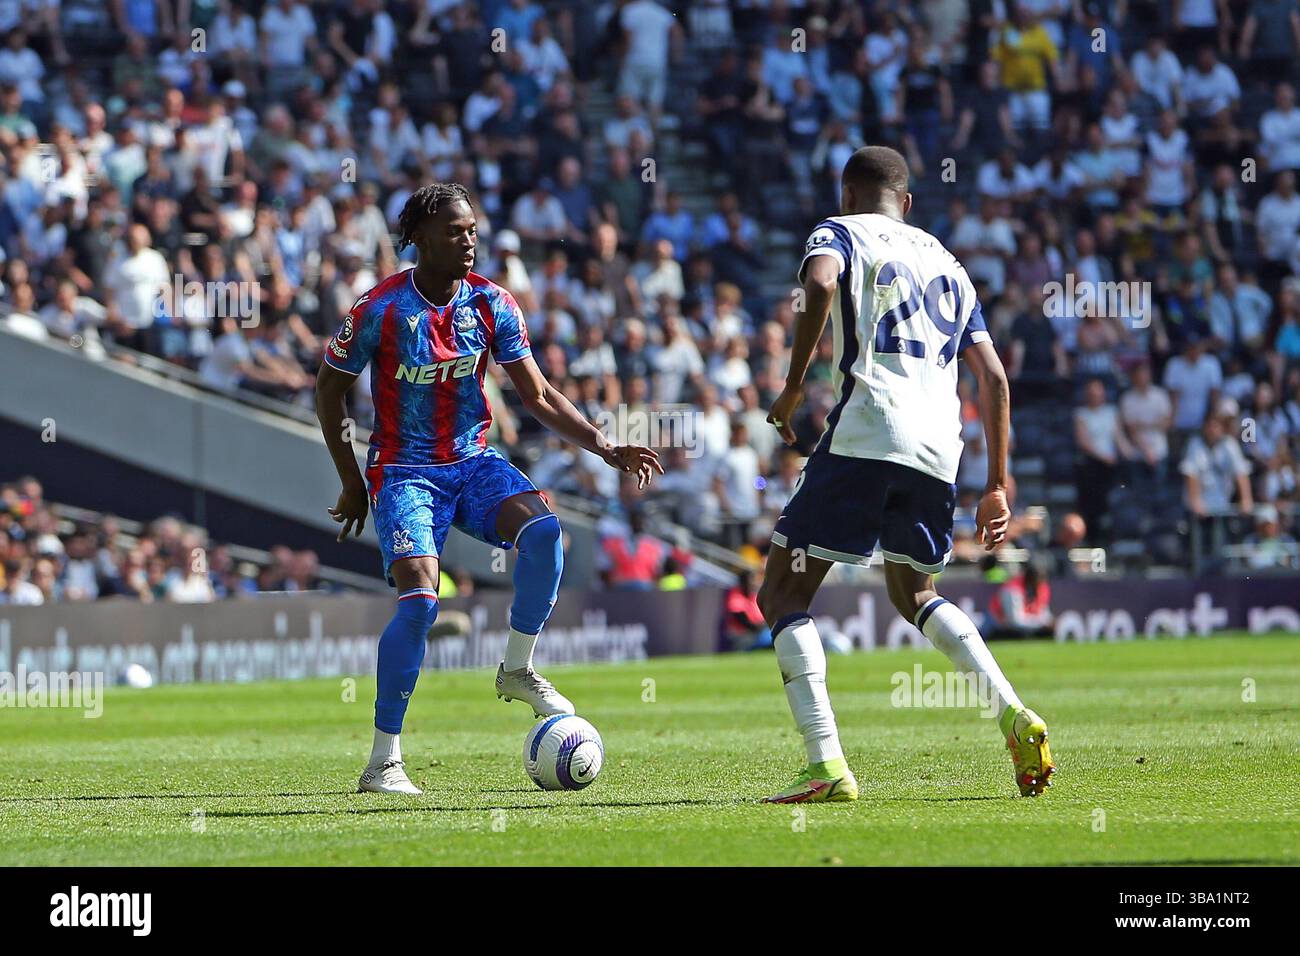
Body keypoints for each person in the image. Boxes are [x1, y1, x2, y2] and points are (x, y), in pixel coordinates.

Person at [314, 182, 663, 795]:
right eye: (455, 230)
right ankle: (384, 760)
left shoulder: (492, 303)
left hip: (472, 462)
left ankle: (518, 668)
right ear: (419, 239)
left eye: (473, 228)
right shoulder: (379, 308)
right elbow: (328, 388)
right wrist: (351, 479)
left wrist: (605, 447)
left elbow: (538, 395)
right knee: (421, 601)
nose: (469, 240)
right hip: (403, 470)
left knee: (545, 532)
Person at [758, 146, 1054, 803]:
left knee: (781, 594)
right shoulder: (949, 264)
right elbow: (994, 378)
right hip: (937, 448)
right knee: (913, 593)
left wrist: (793, 386)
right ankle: (1012, 712)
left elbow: (821, 284)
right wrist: (997, 483)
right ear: (908, 202)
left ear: (847, 192)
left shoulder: (838, 231)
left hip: (868, 427)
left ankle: (827, 766)